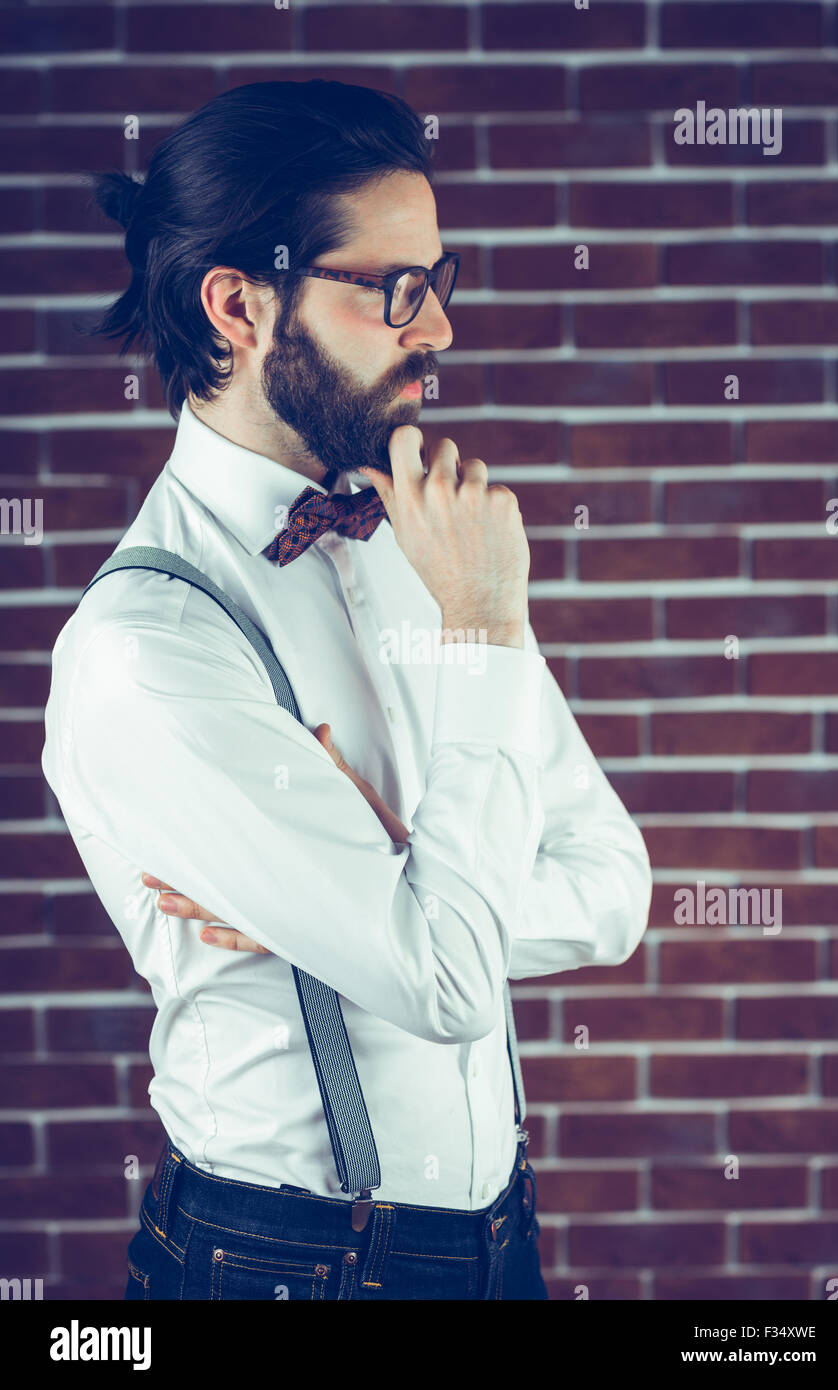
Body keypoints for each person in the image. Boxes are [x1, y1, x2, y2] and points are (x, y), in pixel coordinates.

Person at [41, 80, 652, 1301]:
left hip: (499, 1245)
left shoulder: (418, 540)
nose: (437, 330)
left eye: (440, 279)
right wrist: (481, 633)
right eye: (394, 290)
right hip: (289, 1268)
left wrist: (387, 901)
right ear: (238, 305)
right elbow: (441, 979)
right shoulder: (147, 646)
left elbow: (612, 889)